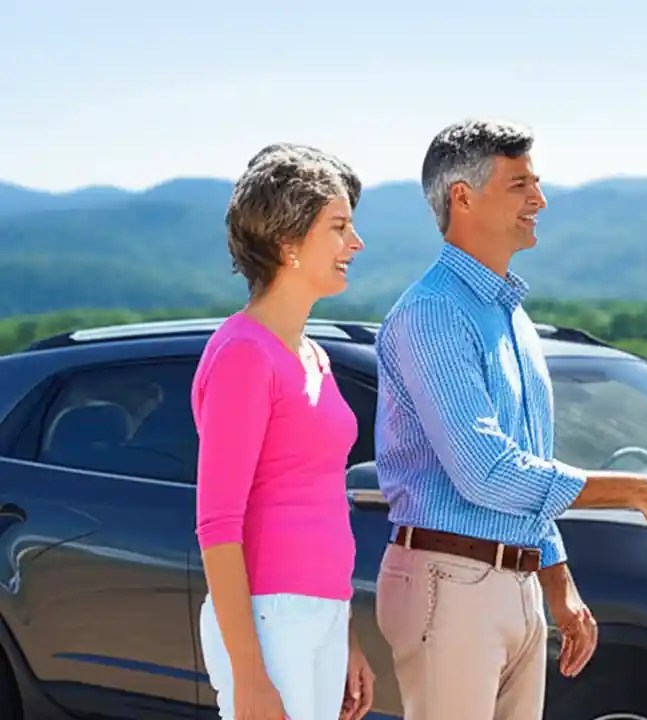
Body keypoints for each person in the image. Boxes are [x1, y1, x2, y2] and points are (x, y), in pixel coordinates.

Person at [373, 118, 647, 720]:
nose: (540, 200)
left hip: (514, 585)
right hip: (449, 585)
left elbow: (527, 464)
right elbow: (487, 472)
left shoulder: (514, 320)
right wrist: (642, 490)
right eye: (520, 185)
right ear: (463, 196)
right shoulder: (432, 314)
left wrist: (557, 584)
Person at [193, 143, 376, 720]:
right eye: (339, 227)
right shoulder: (244, 355)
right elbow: (217, 525)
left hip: (316, 615)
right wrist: (250, 677)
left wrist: (344, 635)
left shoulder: (312, 355)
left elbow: (317, 500)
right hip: (271, 620)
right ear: (288, 242)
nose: (356, 243)